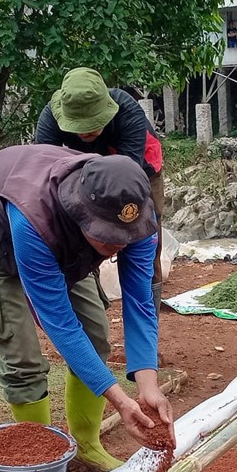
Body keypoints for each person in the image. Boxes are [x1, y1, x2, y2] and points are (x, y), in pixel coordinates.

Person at [0, 144, 173, 472]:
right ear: (82, 213)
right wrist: (120, 401)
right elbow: (59, 322)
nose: (118, 246)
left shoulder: (136, 219)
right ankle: (41, 467)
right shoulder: (35, 218)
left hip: (61, 237)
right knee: (22, 353)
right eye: (108, 238)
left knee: (96, 336)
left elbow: (140, 302)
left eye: (124, 238)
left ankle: (86, 447)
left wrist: (148, 386)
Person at [33, 68, 166, 302]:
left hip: (137, 167)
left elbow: (127, 180)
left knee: (140, 226)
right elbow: (44, 174)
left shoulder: (127, 112)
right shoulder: (51, 116)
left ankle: (148, 294)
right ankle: (90, 293)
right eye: (79, 125)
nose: (86, 130)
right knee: (77, 225)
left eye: (93, 122)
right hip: (80, 168)